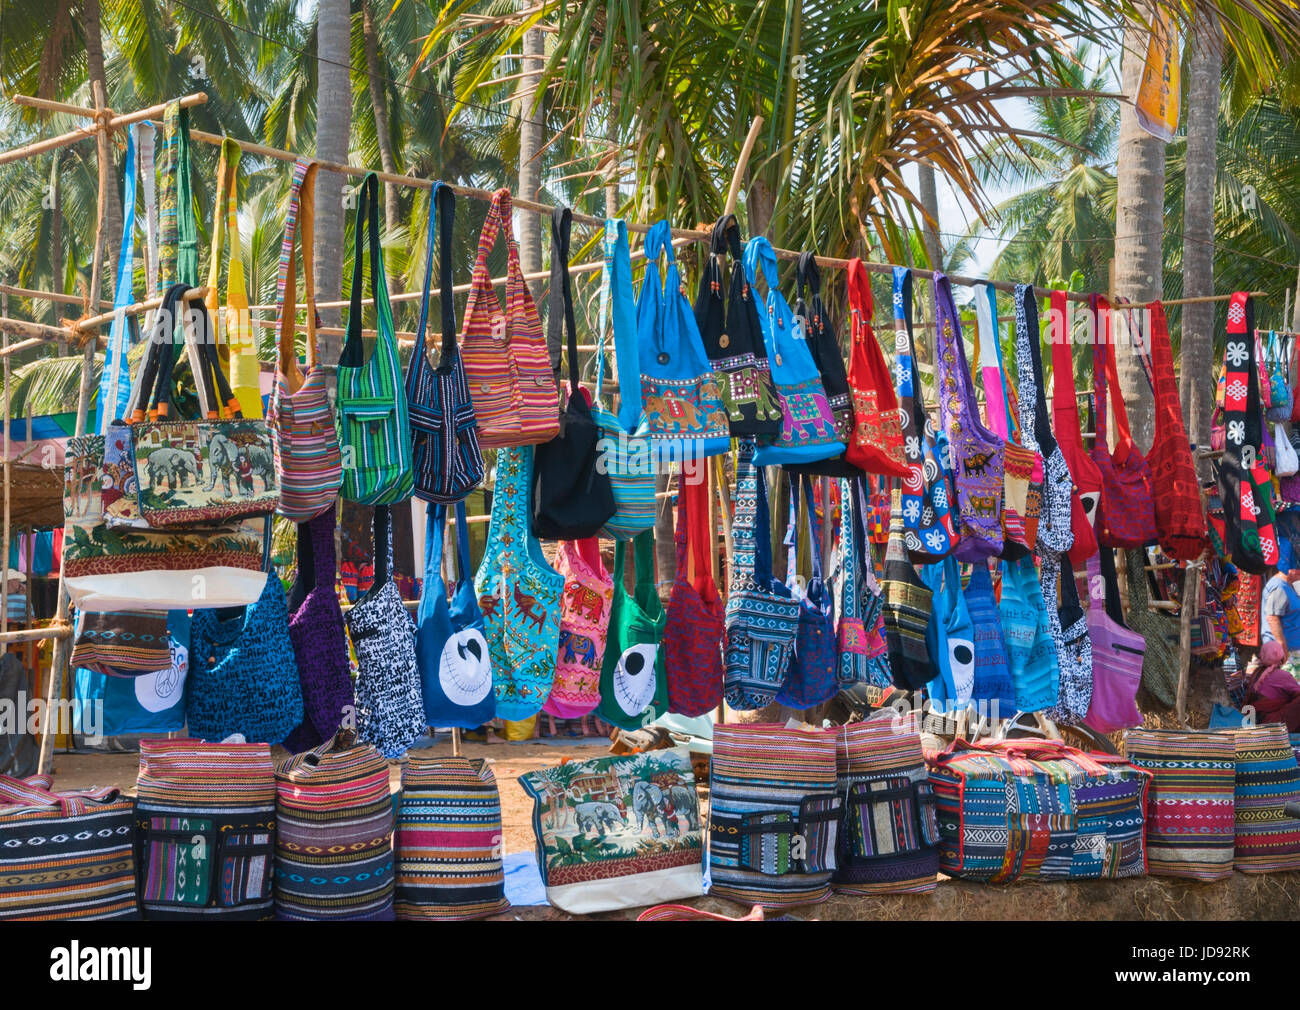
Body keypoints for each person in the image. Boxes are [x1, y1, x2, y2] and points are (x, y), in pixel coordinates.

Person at [1245, 640, 1300, 733]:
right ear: (1281, 656)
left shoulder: (1256, 673)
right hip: (1270, 721)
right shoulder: (1283, 675)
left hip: (1255, 717)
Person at [1260, 543, 1300, 669]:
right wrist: (1283, 650)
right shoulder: (1279, 586)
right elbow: (1272, 618)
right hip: (1284, 654)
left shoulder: (1289, 585)